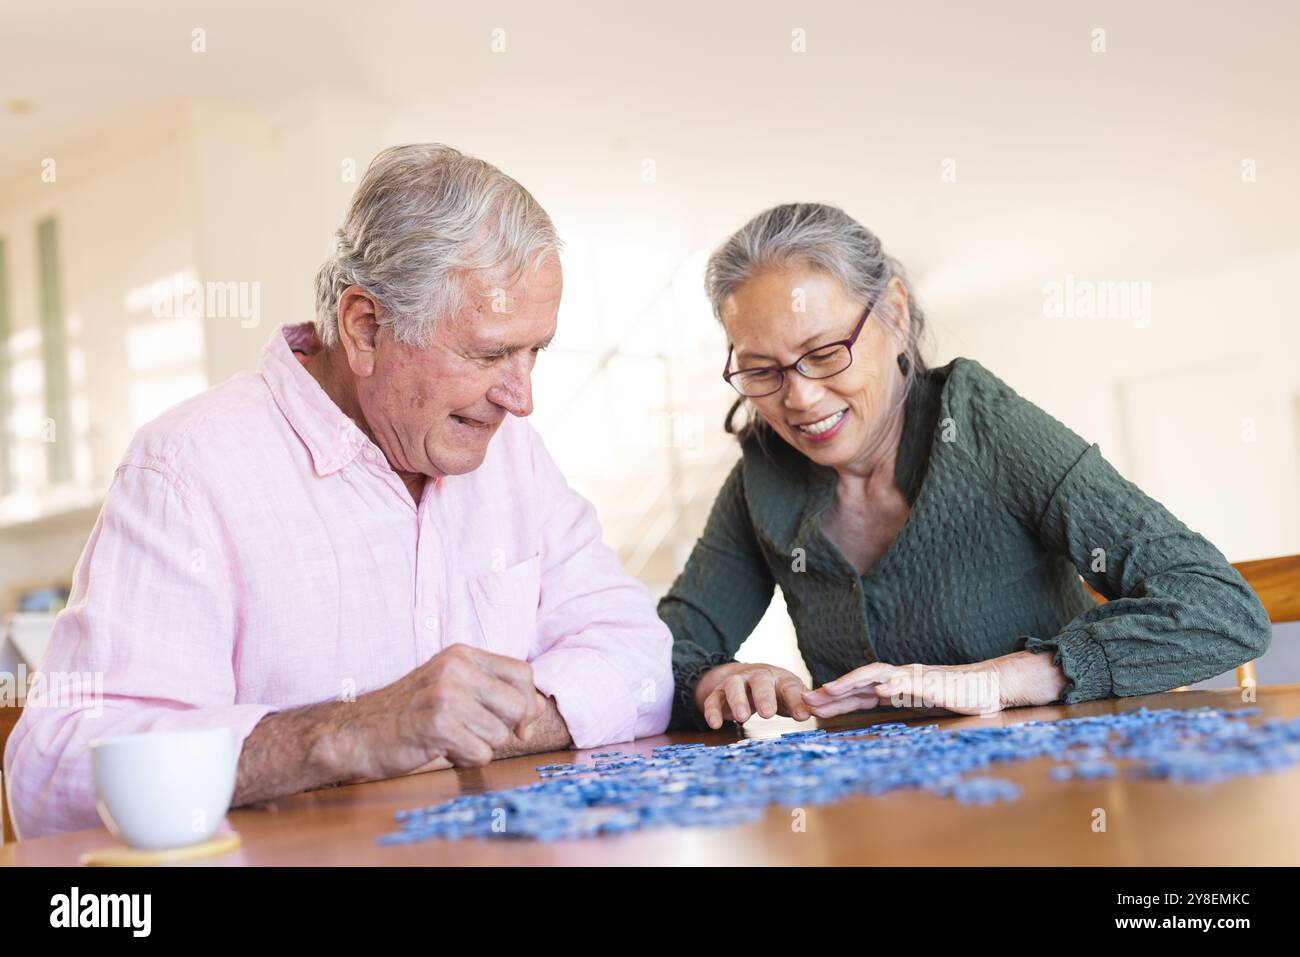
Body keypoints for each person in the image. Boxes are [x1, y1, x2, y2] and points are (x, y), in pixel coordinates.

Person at [5, 144, 672, 838]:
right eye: (491, 352)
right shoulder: (185, 466)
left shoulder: (514, 456)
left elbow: (639, 655)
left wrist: (489, 726)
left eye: (537, 352)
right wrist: (348, 735)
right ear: (366, 329)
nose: (523, 397)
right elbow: (53, 772)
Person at [661, 203, 1270, 731]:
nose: (800, 400)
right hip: (876, 825)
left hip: (1061, 806)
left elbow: (1221, 608)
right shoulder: (762, 477)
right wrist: (713, 679)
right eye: (762, 371)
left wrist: (1006, 679)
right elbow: (657, 651)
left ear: (894, 313)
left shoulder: (984, 426)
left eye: (824, 354)